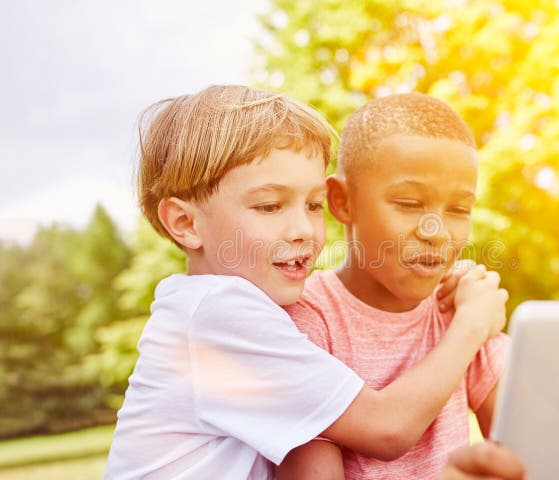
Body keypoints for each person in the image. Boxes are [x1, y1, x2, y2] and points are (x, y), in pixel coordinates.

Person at [103, 85, 514, 479]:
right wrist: (472, 325)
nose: (304, 229)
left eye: (313, 205)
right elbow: (387, 428)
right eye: (269, 205)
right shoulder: (221, 314)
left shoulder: (233, 312)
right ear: (185, 223)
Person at [280, 92, 509, 480]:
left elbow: (533, 455)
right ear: (342, 201)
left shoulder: (462, 306)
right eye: (408, 202)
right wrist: (471, 327)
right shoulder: (306, 321)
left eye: (458, 210)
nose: (436, 232)